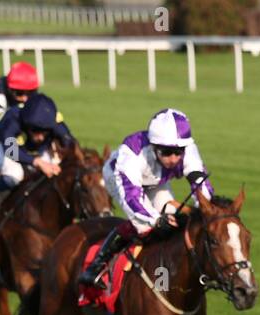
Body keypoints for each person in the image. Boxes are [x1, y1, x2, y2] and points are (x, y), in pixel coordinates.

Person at [76, 108, 213, 292]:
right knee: (148, 228)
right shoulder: (133, 153)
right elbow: (132, 197)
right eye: (166, 152)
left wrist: (209, 210)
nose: (173, 159)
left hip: (155, 182)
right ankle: (98, 264)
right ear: (154, 146)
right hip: (120, 180)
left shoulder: (189, 150)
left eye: (178, 152)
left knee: (174, 222)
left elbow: (201, 185)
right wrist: (156, 219)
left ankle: (168, 278)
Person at [0, 93, 74, 247]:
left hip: (23, 144)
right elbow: (12, 152)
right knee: (15, 175)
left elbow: (70, 143)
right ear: (27, 124)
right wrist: (38, 162)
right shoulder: (11, 122)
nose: (41, 137)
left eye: (44, 131)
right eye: (36, 131)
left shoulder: (53, 120)